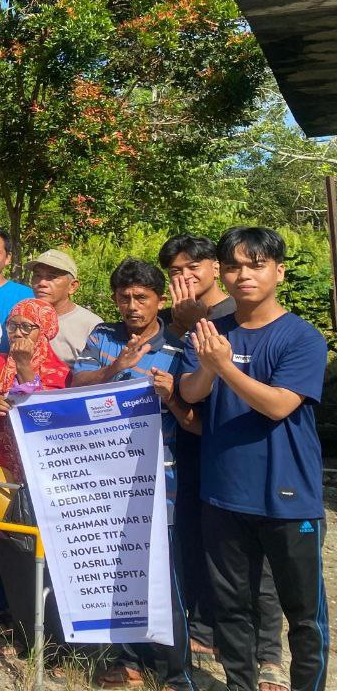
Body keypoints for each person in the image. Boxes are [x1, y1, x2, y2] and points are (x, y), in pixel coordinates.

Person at [179, 227, 330, 691]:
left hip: (288, 497)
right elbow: (188, 393)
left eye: (256, 264)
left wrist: (224, 366)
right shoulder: (208, 332)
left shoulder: (301, 337)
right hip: (223, 494)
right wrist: (209, 363)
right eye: (234, 266)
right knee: (231, 609)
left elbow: (280, 405)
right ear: (223, 274)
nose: (244, 275)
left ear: (278, 271)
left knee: (304, 617)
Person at [158, 234, 285, 683]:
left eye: (193, 267)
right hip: (192, 442)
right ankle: (208, 631)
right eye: (174, 272)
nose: (184, 277)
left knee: (258, 560)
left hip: (247, 447)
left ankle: (269, 652)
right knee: (205, 547)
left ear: (217, 267)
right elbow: (187, 384)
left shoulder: (241, 311)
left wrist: (196, 323)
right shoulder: (171, 318)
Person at [71, 258, 199, 691]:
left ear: (159, 301)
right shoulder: (102, 336)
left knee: (164, 572)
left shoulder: (181, 345)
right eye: (124, 298)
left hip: (160, 477)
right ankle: (128, 660)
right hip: (106, 477)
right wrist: (113, 368)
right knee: (118, 568)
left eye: (141, 298)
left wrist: (170, 397)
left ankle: (176, 671)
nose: (132, 306)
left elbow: (195, 415)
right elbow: (74, 383)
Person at [0, 298, 68, 655]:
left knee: (44, 561)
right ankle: (25, 638)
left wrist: (24, 369)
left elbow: (49, 414)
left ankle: (56, 645)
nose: (18, 333)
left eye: (27, 327)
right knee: (11, 559)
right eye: (13, 325)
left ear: (46, 330)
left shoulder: (58, 370)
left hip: (41, 482)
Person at [28, 249, 101, 364]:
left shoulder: (91, 325)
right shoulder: (23, 316)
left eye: (52, 277)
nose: (42, 283)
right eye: (37, 275)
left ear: (72, 286)